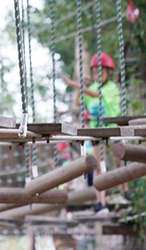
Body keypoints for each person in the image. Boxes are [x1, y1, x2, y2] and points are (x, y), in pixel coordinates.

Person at [61, 52, 121, 215]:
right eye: (95, 72)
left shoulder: (111, 88)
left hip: (113, 129)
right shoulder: (91, 87)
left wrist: (75, 84)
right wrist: (82, 86)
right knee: (98, 166)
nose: (97, 75)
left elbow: (96, 95)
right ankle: (101, 202)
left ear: (109, 72)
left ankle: (123, 193)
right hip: (96, 131)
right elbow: (78, 102)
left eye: (100, 71)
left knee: (119, 162)